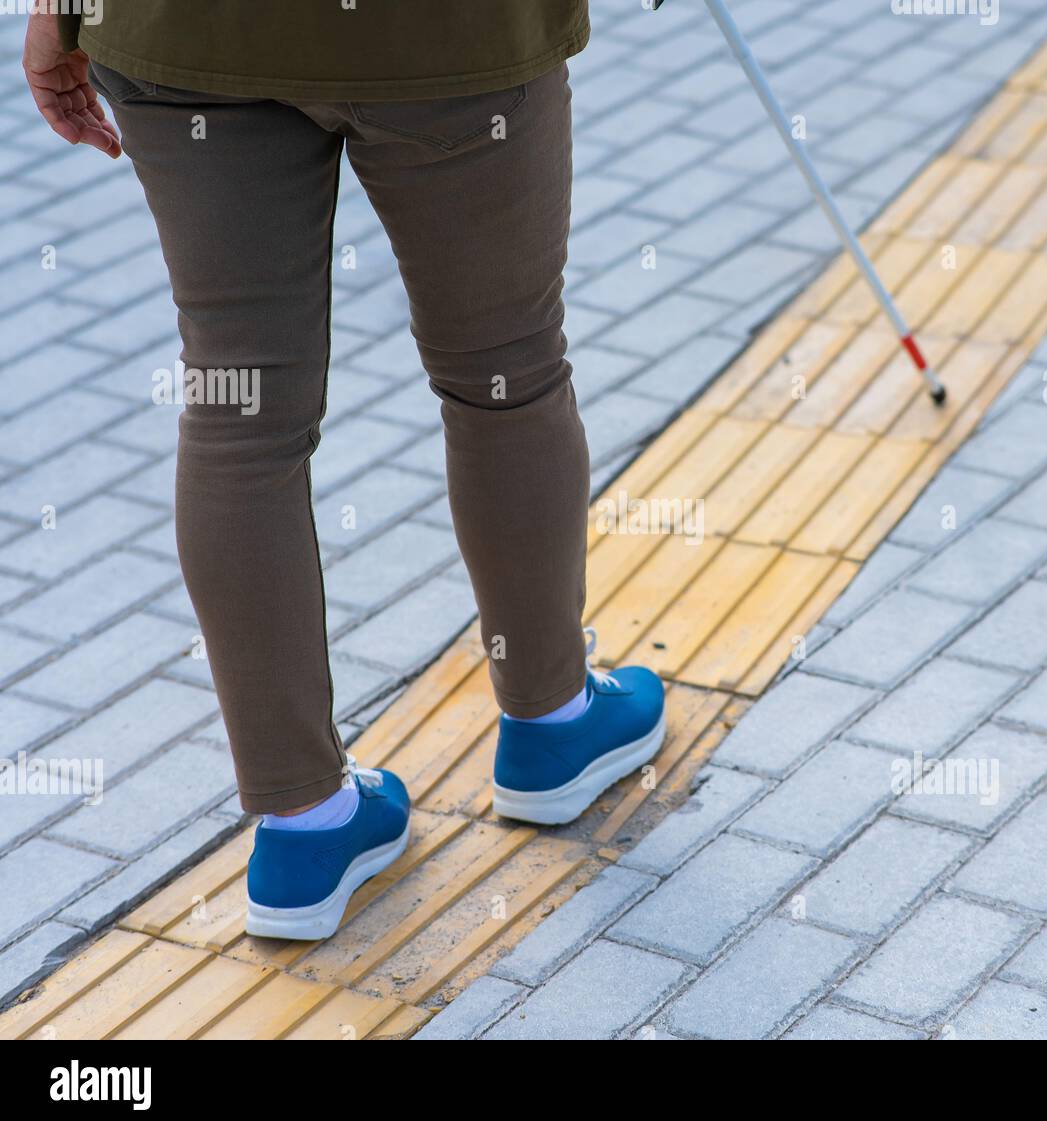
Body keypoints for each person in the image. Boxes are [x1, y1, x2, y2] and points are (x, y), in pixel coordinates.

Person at [22, 2, 665, 942]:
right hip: (453, 37)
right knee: (505, 377)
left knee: (238, 415)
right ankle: (551, 726)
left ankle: (303, 826)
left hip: (186, 35)